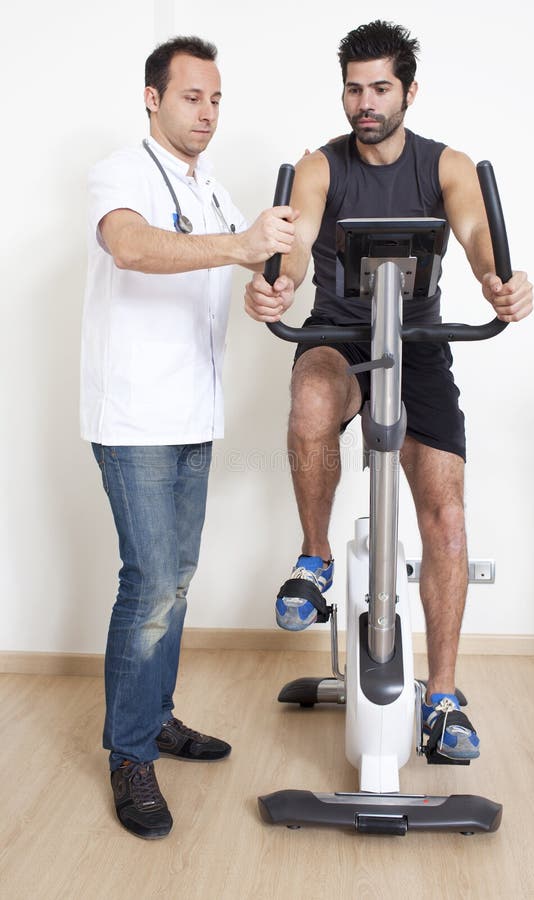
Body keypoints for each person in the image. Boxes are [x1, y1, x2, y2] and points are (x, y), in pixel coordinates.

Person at [244, 21, 533, 762]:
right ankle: (316, 560)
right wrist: (278, 284)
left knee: (447, 517)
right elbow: (300, 235)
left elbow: (474, 232)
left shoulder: (445, 164)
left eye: (379, 88)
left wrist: (498, 276)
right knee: (310, 401)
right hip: (339, 336)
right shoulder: (321, 165)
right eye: (353, 87)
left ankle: (439, 698)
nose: (364, 102)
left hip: (421, 347)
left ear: (408, 90)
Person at [80, 35, 296, 840]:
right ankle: (129, 753)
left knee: (177, 579)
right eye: (190, 97)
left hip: (193, 418)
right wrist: (243, 247)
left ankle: (156, 717)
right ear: (152, 98)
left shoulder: (213, 190)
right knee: (151, 579)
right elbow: (130, 246)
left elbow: (269, 260)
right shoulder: (122, 171)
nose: (205, 112)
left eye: (214, 100)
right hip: (134, 419)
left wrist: (273, 281)